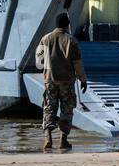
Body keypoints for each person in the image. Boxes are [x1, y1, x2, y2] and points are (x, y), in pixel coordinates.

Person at [35, 11, 88, 151]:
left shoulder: (45, 39)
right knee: (67, 108)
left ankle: (48, 139)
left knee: (49, 107)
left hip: (50, 80)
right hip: (66, 80)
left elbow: (38, 62)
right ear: (67, 25)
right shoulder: (72, 41)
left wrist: (48, 63)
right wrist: (83, 80)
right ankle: (63, 140)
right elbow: (77, 63)